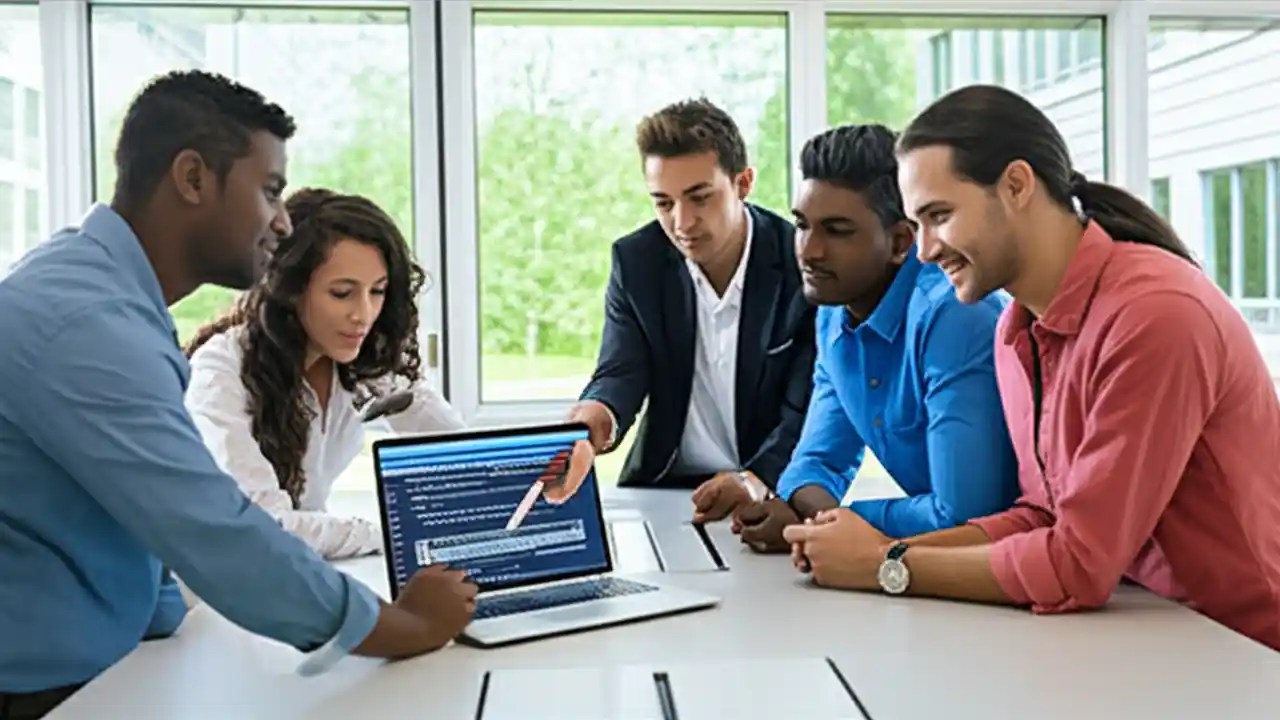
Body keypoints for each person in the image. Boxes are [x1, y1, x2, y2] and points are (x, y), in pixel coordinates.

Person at [0, 70, 475, 718]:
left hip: (119, 666)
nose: (282, 223)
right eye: (270, 191)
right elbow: (219, 534)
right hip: (40, 695)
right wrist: (408, 627)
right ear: (193, 178)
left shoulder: (109, 302)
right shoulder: (85, 325)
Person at [782, 84, 1280, 651]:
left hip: (1244, 651)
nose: (922, 251)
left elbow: (1078, 564)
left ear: (1017, 186)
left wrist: (884, 563)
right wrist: (864, 546)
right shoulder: (1014, 329)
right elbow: (1041, 516)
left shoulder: (1155, 315)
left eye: (939, 215)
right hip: (1139, 632)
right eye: (916, 223)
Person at [707, 124, 1017, 553]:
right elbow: (815, 463)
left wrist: (833, 523)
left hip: (1051, 582)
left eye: (837, 231)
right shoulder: (834, 312)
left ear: (900, 242)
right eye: (802, 225)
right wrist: (815, 521)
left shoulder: (956, 315)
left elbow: (964, 514)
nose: (809, 251)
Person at [183, 189, 464, 560]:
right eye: (342, 293)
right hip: (212, 588)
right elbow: (263, 527)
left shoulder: (362, 364)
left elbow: (455, 450)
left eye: (377, 291)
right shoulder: (221, 371)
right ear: (292, 288)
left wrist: (550, 462)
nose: (363, 314)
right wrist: (385, 534)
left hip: (298, 574)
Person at [567, 97, 815, 494]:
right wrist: (594, 417)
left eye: (700, 197)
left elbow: (804, 409)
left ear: (743, 183)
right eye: (664, 203)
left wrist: (755, 482)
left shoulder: (799, 263)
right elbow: (621, 372)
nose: (682, 223)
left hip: (769, 487)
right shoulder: (636, 262)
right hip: (661, 487)